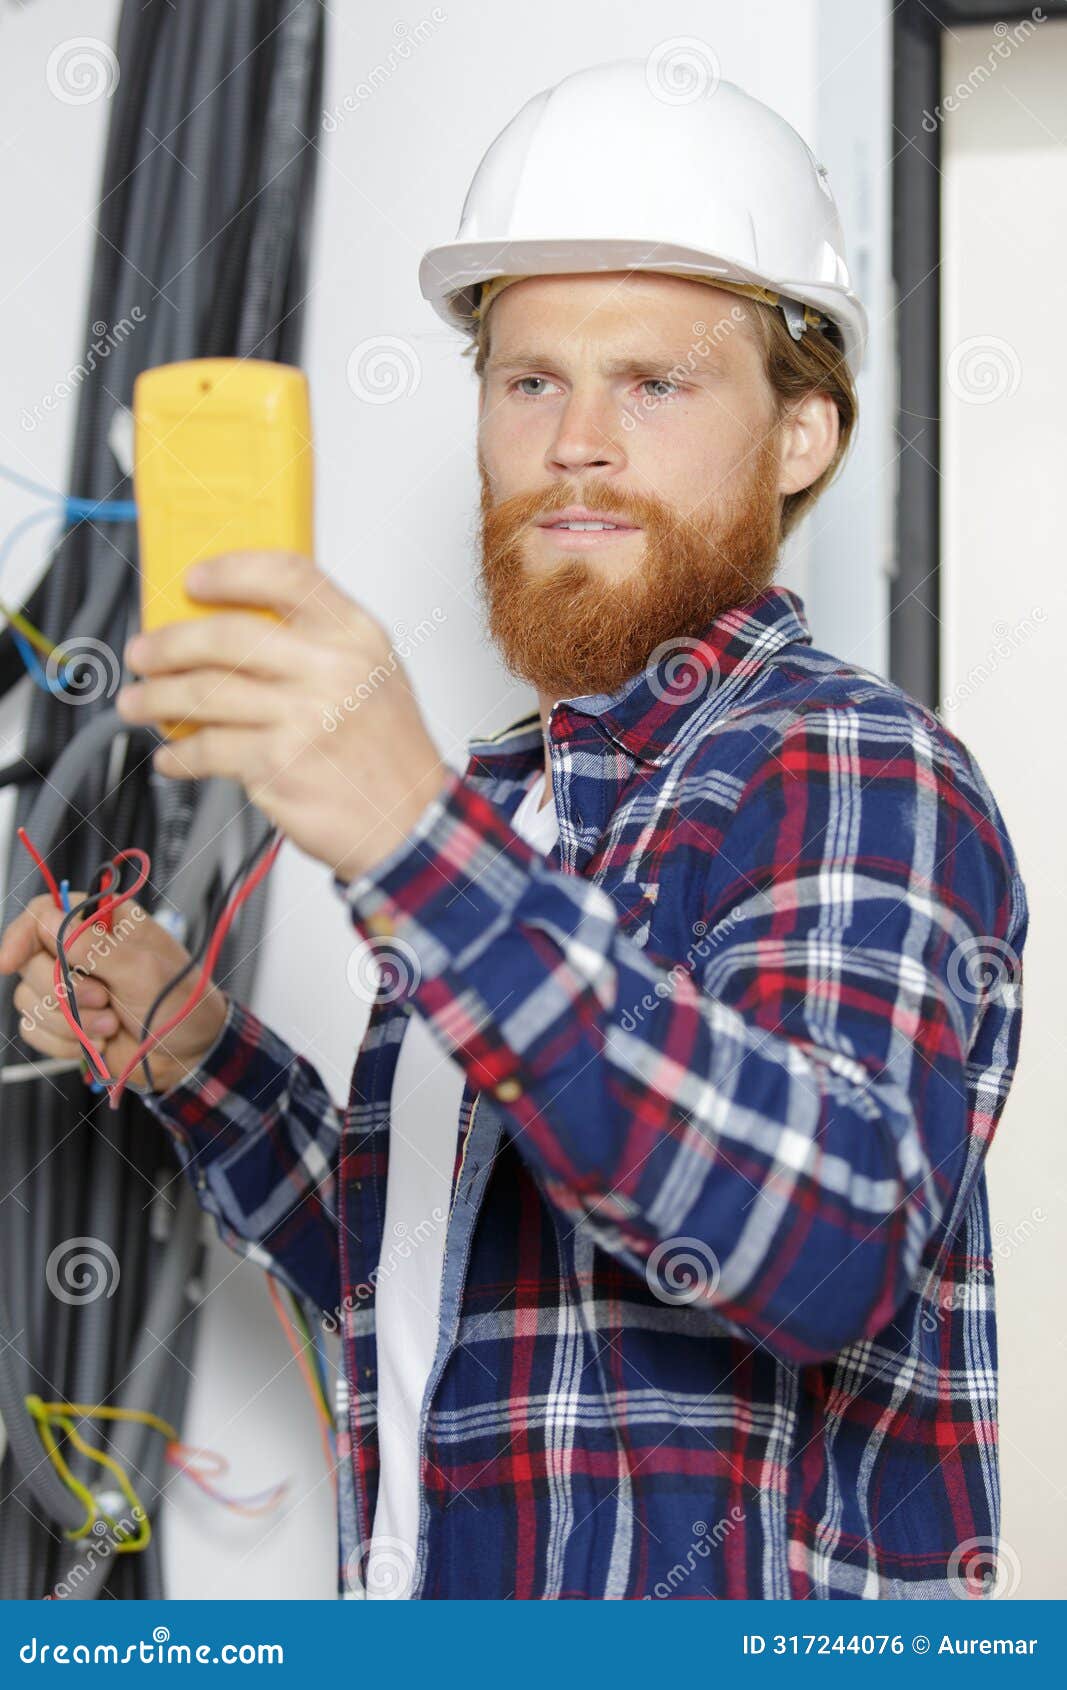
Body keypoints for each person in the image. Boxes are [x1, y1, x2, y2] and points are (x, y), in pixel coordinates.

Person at [0, 62, 1026, 1600]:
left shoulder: (850, 763)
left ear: (804, 433)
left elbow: (827, 1241)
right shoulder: (502, 799)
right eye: (530, 379)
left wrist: (417, 838)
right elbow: (430, 1285)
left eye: (656, 383)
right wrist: (198, 1048)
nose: (577, 442)